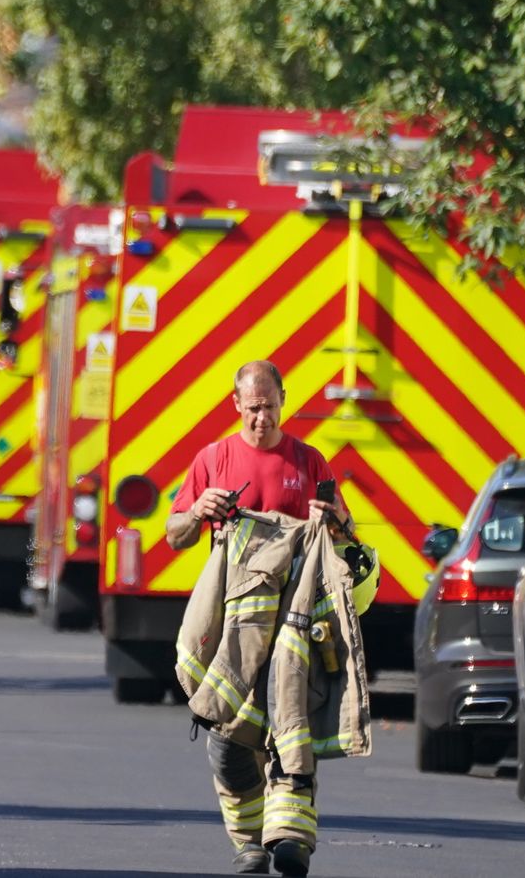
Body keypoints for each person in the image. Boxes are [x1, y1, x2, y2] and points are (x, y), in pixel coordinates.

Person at [166, 361, 353, 877]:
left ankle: (291, 838)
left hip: (295, 625)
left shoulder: (309, 461)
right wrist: (198, 510)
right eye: (252, 408)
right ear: (236, 405)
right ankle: (248, 843)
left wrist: (336, 521)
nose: (261, 419)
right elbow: (175, 534)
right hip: (236, 627)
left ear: (283, 402)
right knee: (228, 738)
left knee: (291, 727)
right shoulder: (214, 458)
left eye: (269, 407)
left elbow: (345, 537)